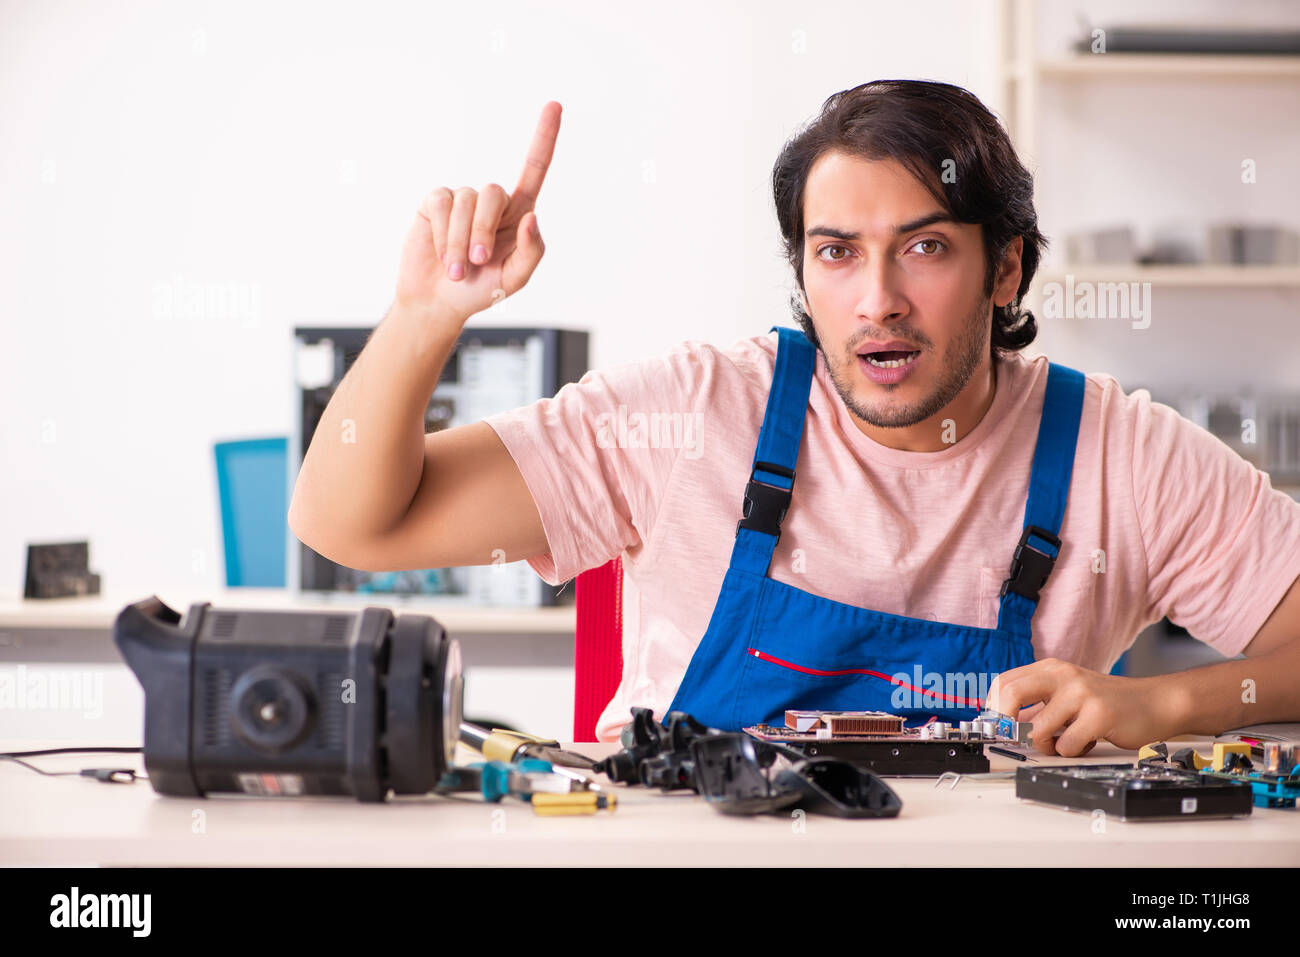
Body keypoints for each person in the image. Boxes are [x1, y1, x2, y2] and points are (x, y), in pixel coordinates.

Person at [288, 81, 1300, 755]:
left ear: (1005, 267)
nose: (877, 301)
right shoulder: (691, 414)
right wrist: (426, 317)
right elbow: (349, 525)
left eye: (924, 248)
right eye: (836, 253)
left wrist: (1164, 704)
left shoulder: (1118, 455)